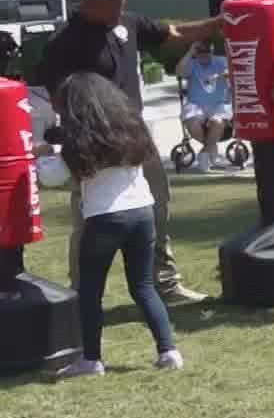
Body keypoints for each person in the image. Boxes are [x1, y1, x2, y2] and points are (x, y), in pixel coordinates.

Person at [33, 0, 222, 304]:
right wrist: (80, 135)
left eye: (122, 6)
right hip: (94, 138)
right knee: (89, 215)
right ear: (89, 3)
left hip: (134, 133)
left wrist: (219, 23)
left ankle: (165, 283)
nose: (120, 13)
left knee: (156, 206)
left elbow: (173, 32)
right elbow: (58, 97)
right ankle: (80, 294)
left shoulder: (127, 24)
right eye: (112, 7)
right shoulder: (64, 41)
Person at [42, 73, 181, 377]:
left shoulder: (79, 141)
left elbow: (51, 177)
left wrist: (44, 156)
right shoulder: (132, 130)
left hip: (104, 217)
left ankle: (91, 360)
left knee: (90, 292)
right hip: (142, 212)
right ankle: (168, 350)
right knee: (144, 286)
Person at [175, 39, 232, 171]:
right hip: (195, 104)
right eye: (200, 52)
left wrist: (222, 75)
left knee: (217, 122)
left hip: (218, 104)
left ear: (211, 52)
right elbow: (179, 72)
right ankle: (213, 152)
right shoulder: (191, 63)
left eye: (207, 52)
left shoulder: (221, 61)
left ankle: (204, 154)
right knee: (192, 123)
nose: (204, 55)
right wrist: (189, 52)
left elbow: (232, 72)